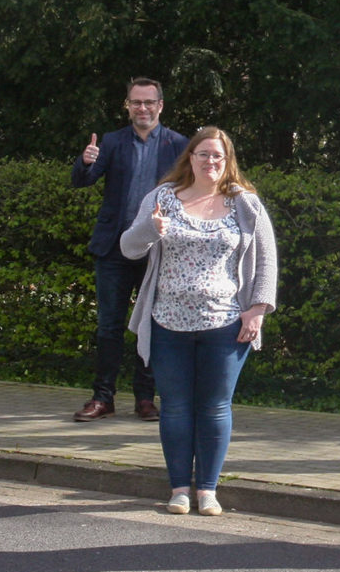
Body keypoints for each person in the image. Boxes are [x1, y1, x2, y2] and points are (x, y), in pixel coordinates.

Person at [120, 126, 277, 516]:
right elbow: (128, 248)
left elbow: (267, 262)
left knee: (214, 407)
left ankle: (207, 489)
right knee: (174, 407)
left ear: (229, 162)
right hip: (167, 322)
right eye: (203, 154)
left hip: (225, 325)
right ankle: (178, 490)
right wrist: (149, 229)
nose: (211, 162)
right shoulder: (162, 199)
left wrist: (257, 310)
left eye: (219, 156)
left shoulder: (245, 204)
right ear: (189, 158)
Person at [70, 77, 189, 422]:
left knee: (151, 325)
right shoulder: (111, 142)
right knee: (109, 326)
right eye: (136, 102)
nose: (142, 108)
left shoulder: (178, 144)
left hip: (158, 251)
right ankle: (102, 398)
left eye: (149, 102)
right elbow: (82, 181)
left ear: (160, 106)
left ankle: (145, 399)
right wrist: (87, 160)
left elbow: (189, 193)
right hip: (114, 250)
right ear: (128, 106)